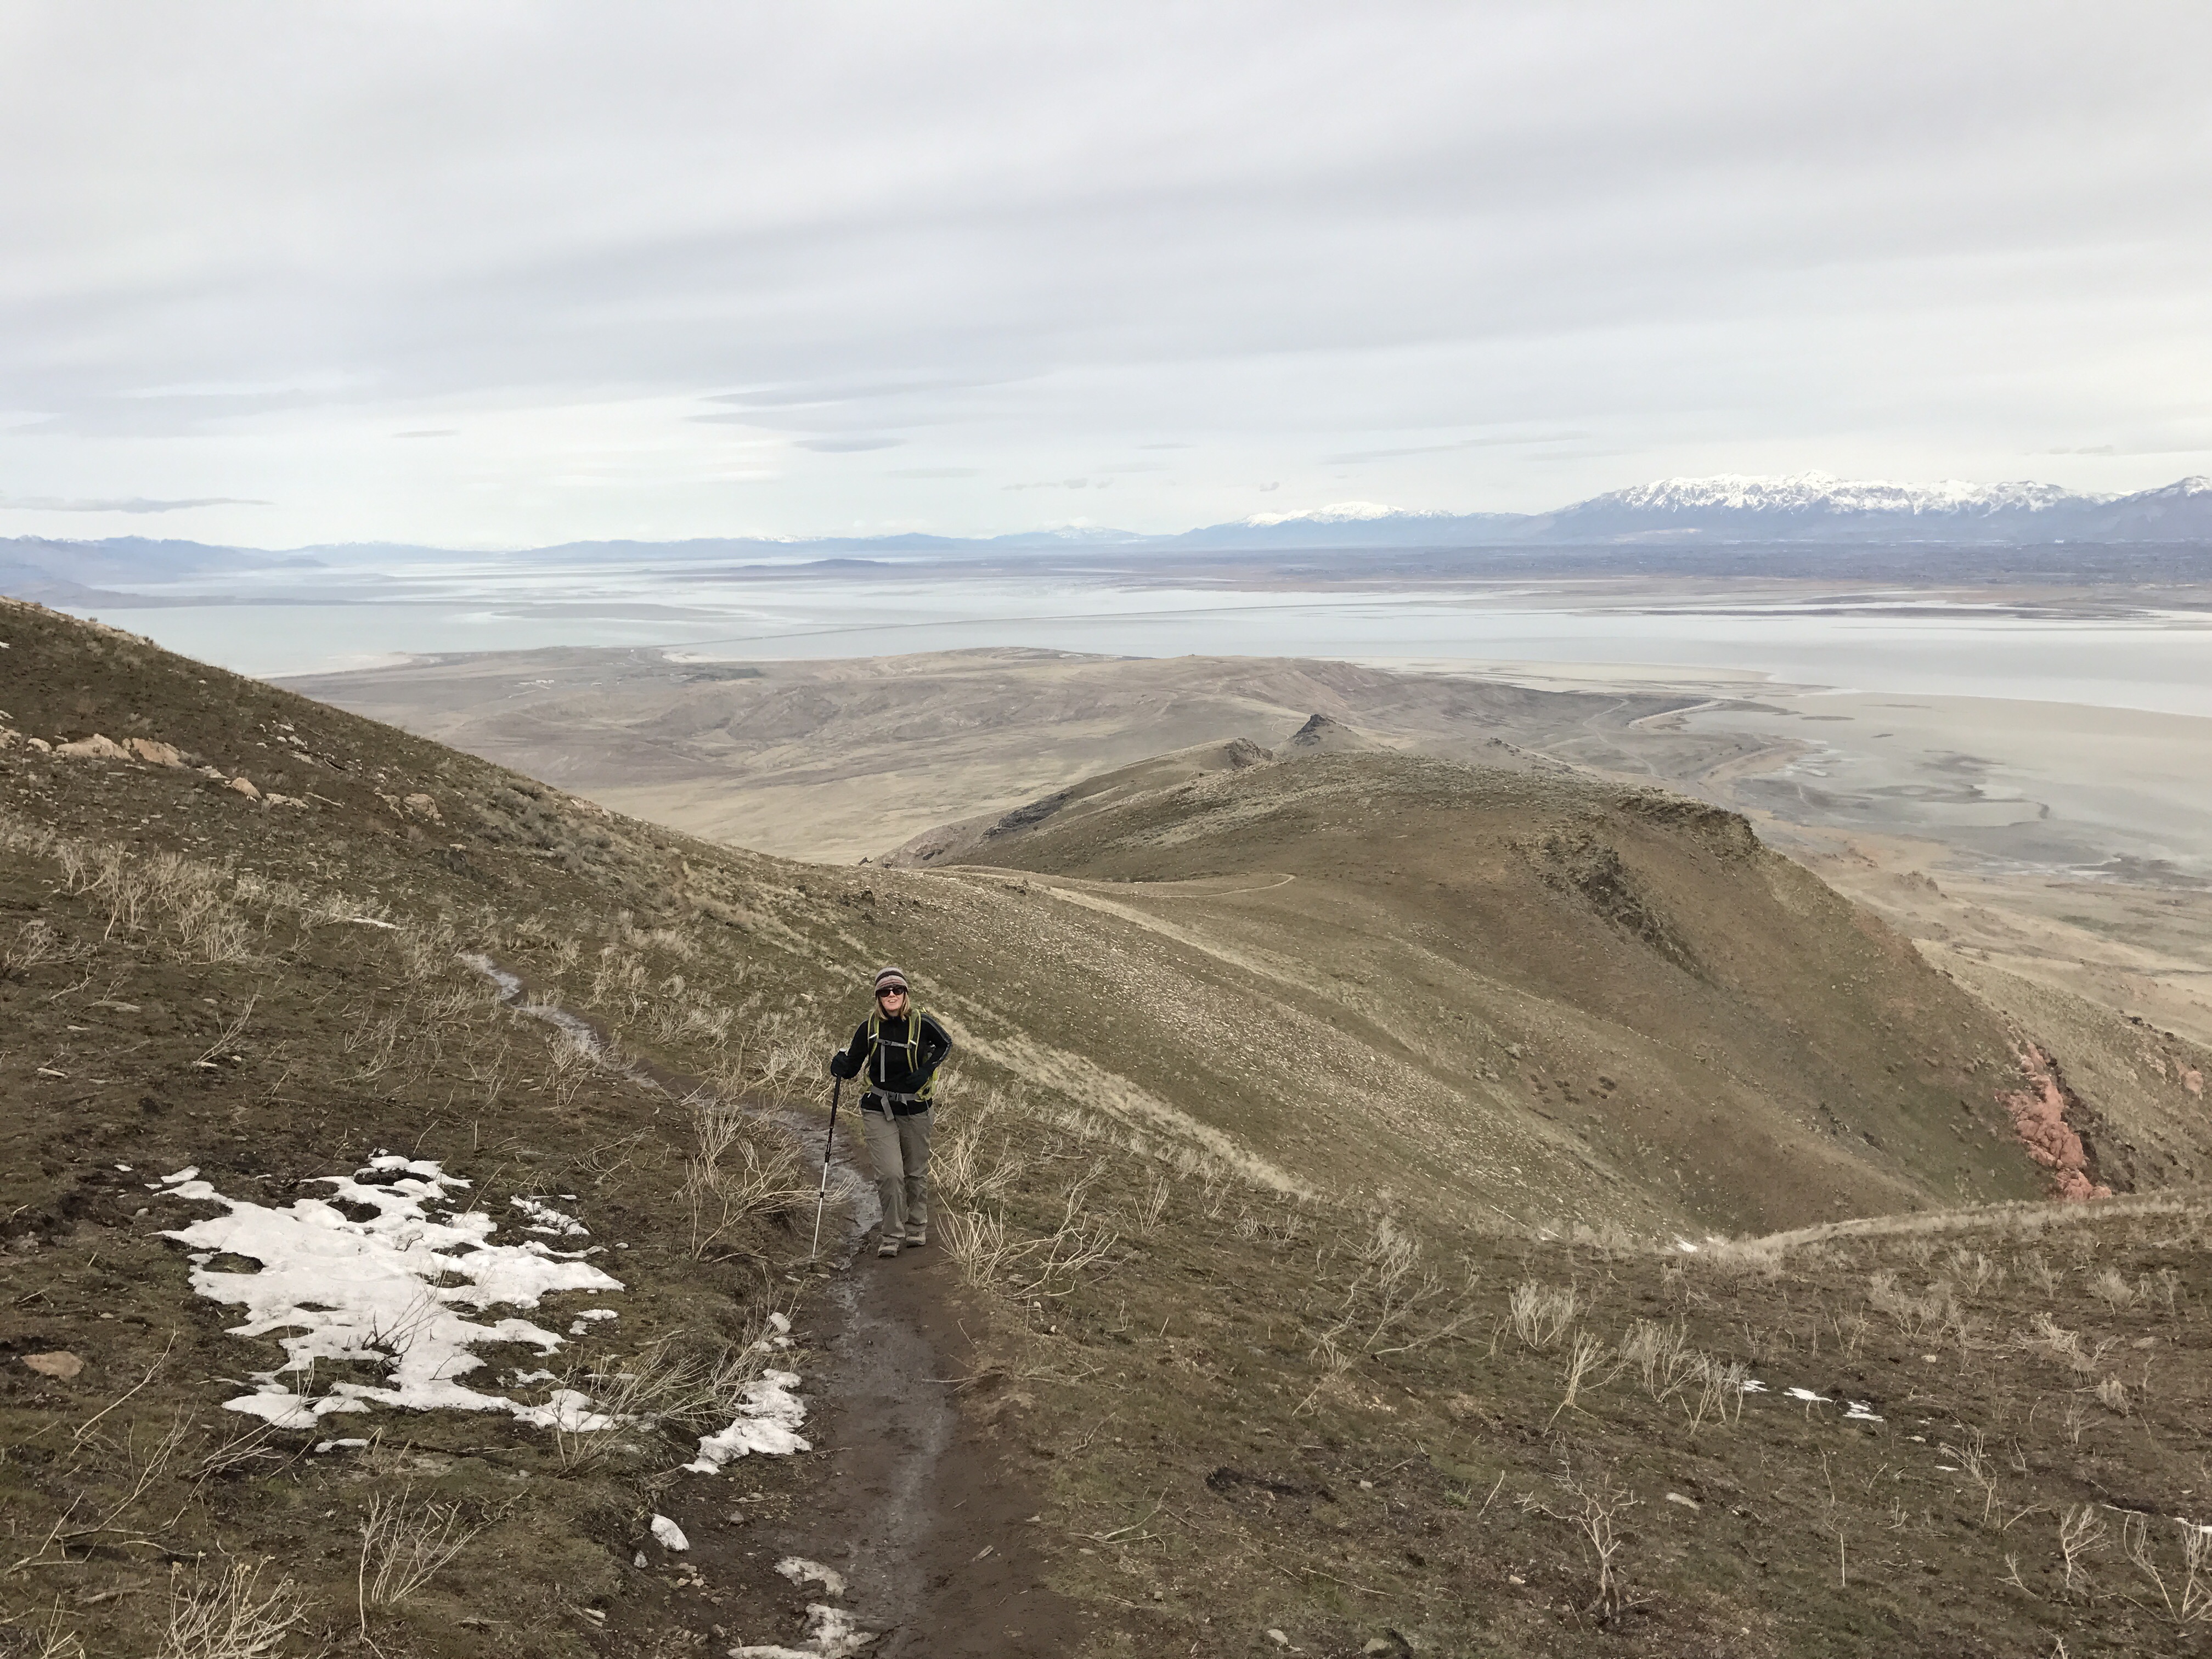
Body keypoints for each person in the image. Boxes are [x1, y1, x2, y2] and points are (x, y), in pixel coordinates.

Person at [828, 966, 951, 1258]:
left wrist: (926, 1070)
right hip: (878, 1108)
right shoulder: (869, 1027)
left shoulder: (922, 1023)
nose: (892, 995)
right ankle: (892, 1234)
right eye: (885, 991)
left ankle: (917, 1225)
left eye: (897, 990)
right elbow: (853, 1065)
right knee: (890, 1174)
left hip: (916, 1108)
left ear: (905, 993)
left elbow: (946, 1044)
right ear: (878, 997)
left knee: (914, 1172)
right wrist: (841, 1068)